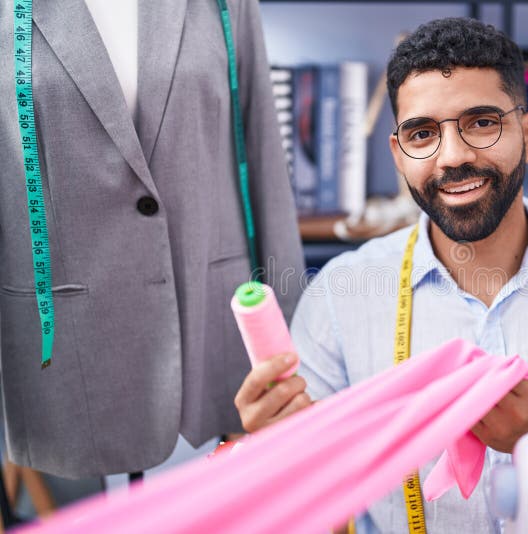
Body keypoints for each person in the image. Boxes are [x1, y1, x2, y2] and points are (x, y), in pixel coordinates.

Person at [235, 17, 528, 533]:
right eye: (422, 133)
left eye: (481, 122)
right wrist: (286, 465)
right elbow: (319, 511)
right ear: (399, 155)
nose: (453, 157)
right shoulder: (339, 296)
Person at [0, 0, 304, 479]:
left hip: (211, 327)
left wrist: (290, 338)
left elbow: (261, 149)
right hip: (64, 348)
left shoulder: (226, 6)